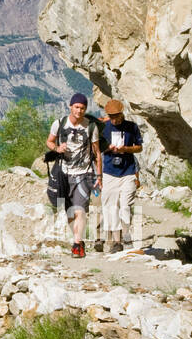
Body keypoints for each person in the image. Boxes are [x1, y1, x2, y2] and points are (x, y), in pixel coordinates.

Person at [46, 93, 101, 258]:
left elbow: (97, 153)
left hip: (84, 174)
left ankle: (77, 244)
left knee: (80, 210)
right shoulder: (59, 124)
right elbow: (49, 141)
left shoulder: (91, 127)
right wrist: (57, 149)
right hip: (64, 173)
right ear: (71, 107)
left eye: (83, 108)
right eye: (77, 107)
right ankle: (78, 239)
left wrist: (98, 175)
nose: (79, 110)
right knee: (70, 210)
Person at [98, 99, 143, 252]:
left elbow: (139, 148)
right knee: (111, 206)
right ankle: (117, 242)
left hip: (128, 171)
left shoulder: (132, 127)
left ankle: (126, 234)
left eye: (116, 116)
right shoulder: (104, 128)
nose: (114, 119)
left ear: (122, 113)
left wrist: (126, 149)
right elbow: (98, 150)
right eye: (111, 116)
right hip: (110, 171)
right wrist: (109, 148)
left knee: (126, 205)